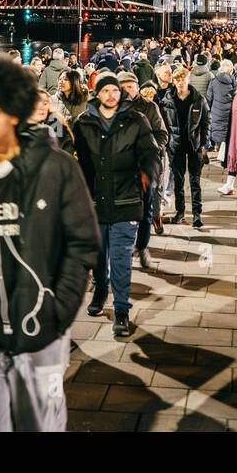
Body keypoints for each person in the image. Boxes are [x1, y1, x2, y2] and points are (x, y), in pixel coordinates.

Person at [0, 57, 101, 431]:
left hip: (41, 326)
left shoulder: (58, 166)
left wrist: (58, 309)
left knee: (41, 420)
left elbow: (83, 242)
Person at [72, 73, 158, 336]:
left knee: (120, 257)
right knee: (98, 255)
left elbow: (150, 151)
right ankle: (100, 290)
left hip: (126, 199)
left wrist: (150, 174)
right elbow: (76, 159)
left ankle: (121, 310)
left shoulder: (136, 119)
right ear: (96, 94)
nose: (111, 95)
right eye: (105, 90)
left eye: (115, 90)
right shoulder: (83, 122)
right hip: (95, 201)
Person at [120, 71, 166, 268]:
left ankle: (143, 246)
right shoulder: (114, 108)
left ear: (137, 87)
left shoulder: (149, 107)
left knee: (147, 209)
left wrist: (148, 150)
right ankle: (124, 248)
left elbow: (163, 134)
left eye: (130, 86)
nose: (127, 90)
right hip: (123, 170)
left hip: (145, 167)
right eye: (123, 87)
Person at [164, 67, 209, 227]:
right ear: (174, 81)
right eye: (177, 80)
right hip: (176, 145)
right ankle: (180, 212)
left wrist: (204, 145)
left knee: (195, 180)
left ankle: (197, 214)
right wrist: (167, 143)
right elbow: (164, 124)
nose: (180, 82)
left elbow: (205, 124)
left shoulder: (199, 99)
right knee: (178, 181)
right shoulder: (168, 99)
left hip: (194, 144)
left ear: (188, 79)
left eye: (183, 79)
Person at [29, 89, 75, 155]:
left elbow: (58, 149)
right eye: (37, 103)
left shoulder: (55, 122)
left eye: (45, 103)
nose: (42, 107)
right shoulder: (25, 122)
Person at [205, 59, 235, 154]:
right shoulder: (233, 81)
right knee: (227, 128)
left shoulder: (214, 81)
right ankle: (225, 150)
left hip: (216, 110)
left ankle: (217, 147)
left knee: (217, 128)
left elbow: (209, 98)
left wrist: (208, 110)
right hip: (229, 110)